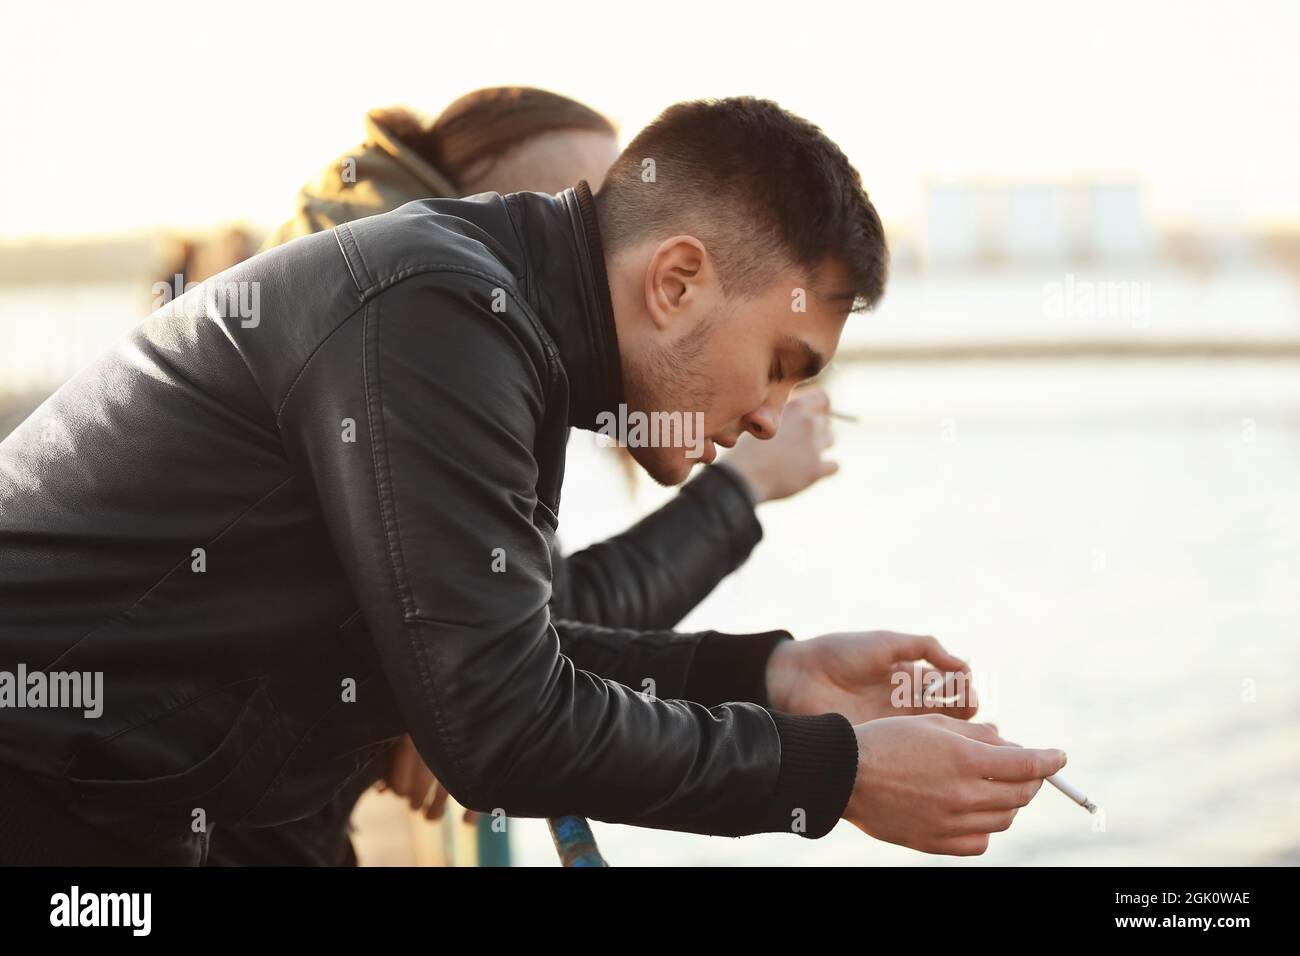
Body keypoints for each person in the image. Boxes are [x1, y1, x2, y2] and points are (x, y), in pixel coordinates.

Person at [0, 96, 1066, 865]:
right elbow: (504, 725)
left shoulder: (496, 321)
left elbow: (498, 650)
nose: (768, 416)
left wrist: (771, 676)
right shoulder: (442, 312)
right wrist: (835, 771)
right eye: (779, 362)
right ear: (678, 279)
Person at [211, 86, 847, 866]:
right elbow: (522, 668)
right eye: (589, 209)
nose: (617, 229)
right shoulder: (437, 316)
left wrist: (773, 674)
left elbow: (511, 637)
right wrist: (737, 495)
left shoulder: (456, 316)